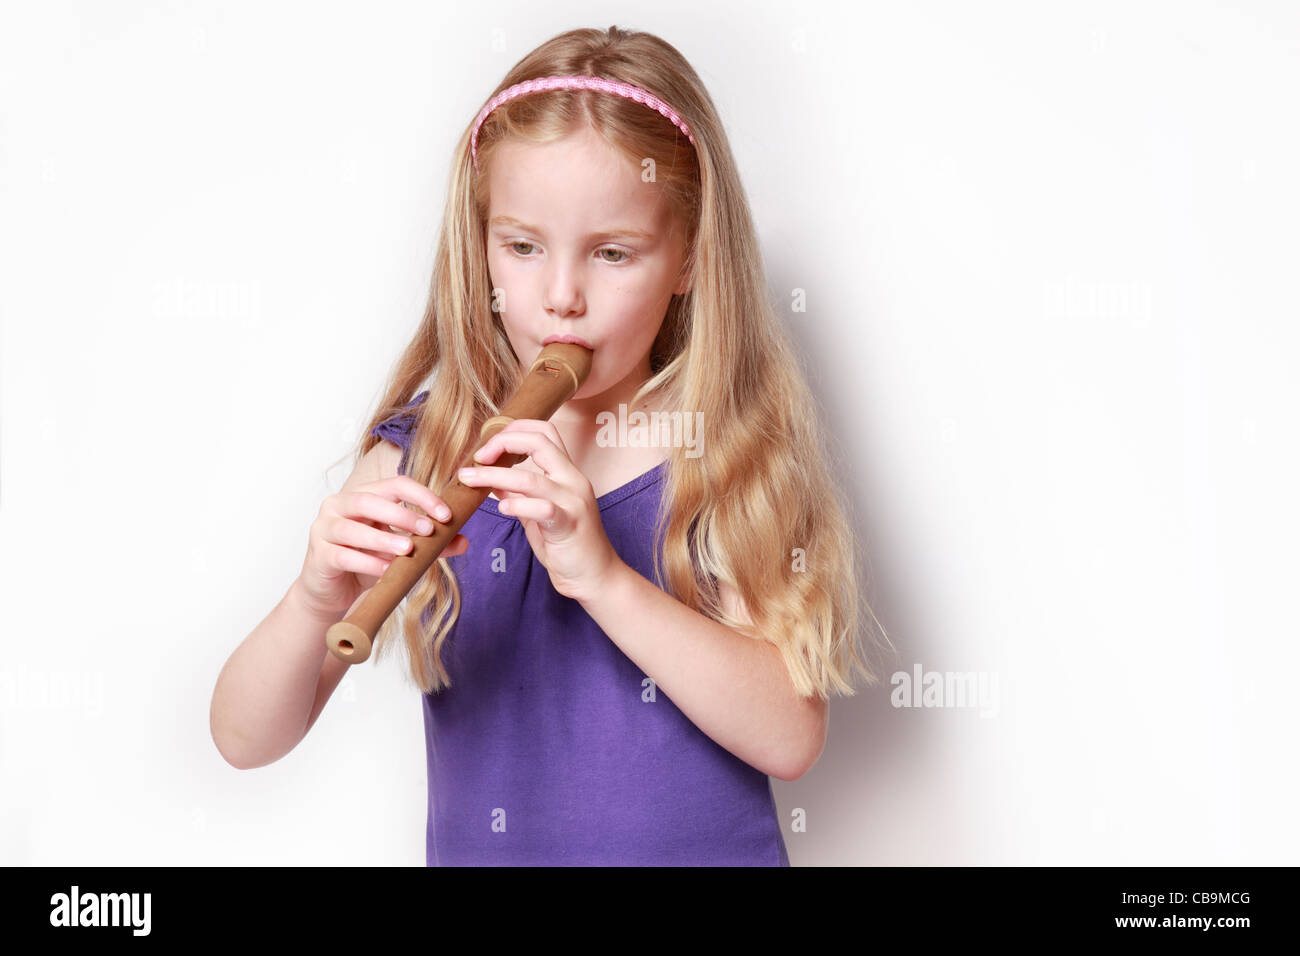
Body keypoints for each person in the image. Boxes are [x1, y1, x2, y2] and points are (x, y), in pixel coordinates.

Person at [211, 25, 892, 866]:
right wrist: (316, 599)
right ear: (482, 245)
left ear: (687, 257)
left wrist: (602, 578)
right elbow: (243, 739)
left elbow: (791, 736)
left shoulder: (728, 452)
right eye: (524, 247)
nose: (561, 298)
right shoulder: (425, 455)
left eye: (612, 253)